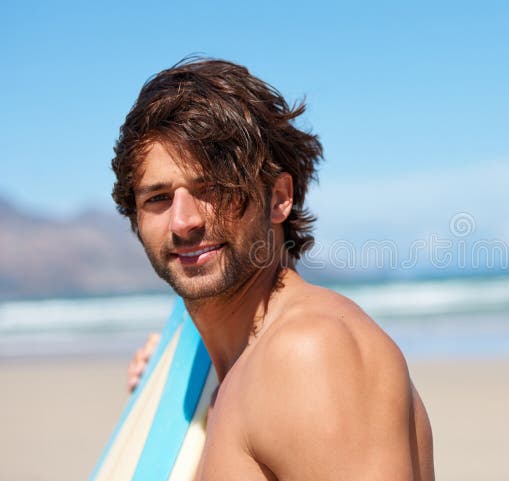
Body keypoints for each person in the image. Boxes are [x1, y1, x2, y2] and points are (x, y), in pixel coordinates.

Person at [112, 58, 434, 480]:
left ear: (279, 198)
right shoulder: (220, 374)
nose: (183, 220)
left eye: (214, 189)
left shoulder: (310, 352)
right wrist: (166, 384)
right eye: (158, 198)